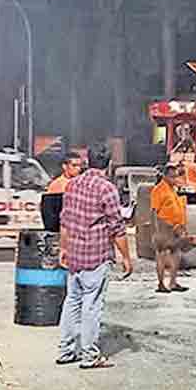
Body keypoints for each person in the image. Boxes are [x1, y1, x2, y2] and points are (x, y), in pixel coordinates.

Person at [57, 143, 133, 370]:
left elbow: (65, 221)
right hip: (96, 256)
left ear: (88, 160)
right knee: (91, 305)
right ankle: (90, 355)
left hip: (75, 255)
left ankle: (66, 351)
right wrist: (127, 257)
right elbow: (117, 227)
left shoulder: (72, 185)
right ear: (108, 163)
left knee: (72, 302)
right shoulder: (106, 189)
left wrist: (63, 249)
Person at [150, 164, 190, 294]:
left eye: (176, 176)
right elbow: (154, 212)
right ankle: (161, 283)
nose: (175, 179)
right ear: (165, 176)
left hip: (176, 228)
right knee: (162, 255)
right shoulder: (158, 190)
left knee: (176, 254)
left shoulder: (172, 190)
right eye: (172, 177)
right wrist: (157, 230)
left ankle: (173, 282)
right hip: (164, 227)